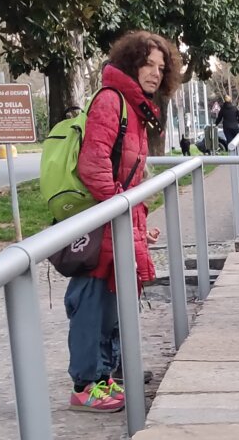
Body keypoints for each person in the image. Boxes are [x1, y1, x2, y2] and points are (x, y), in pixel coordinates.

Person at [62, 30, 176, 412]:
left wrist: (138, 224)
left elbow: (127, 176)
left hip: (116, 221)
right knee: (91, 305)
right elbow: (94, 167)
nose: (155, 73)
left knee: (111, 306)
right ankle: (84, 386)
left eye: (161, 67)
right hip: (101, 225)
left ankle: (104, 377)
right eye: (148, 64)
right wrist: (121, 212)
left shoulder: (134, 108)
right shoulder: (111, 101)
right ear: (130, 63)